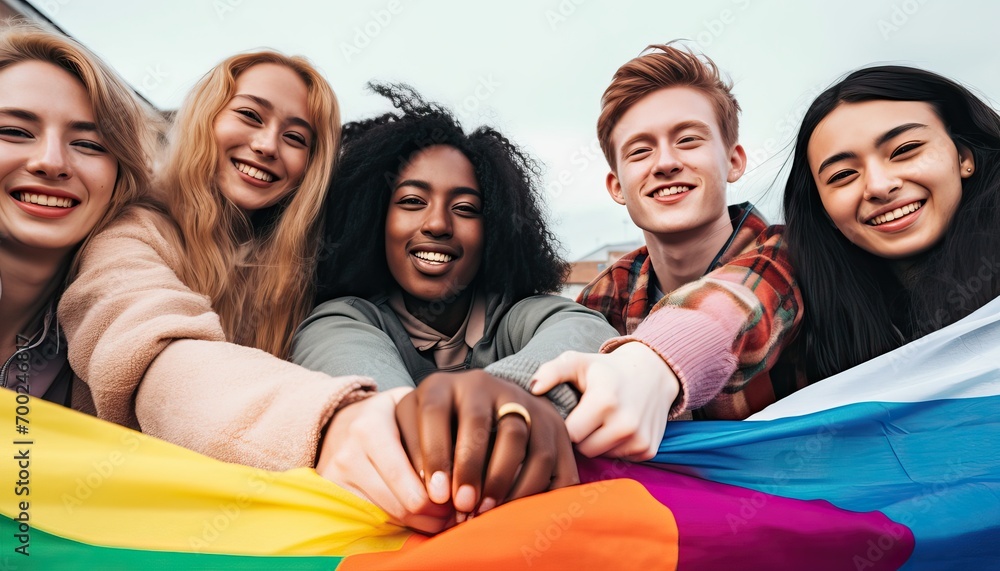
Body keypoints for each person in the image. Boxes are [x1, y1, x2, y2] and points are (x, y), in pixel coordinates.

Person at [56, 53, 446, 532]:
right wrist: (331, 422)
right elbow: (158, 358)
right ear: (205, 116)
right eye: (249, 115)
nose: (266, 145)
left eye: (295, 137)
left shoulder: (306, 273)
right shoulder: (130, 235)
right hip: (127, 528)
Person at [292, 83, 614, 519]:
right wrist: (435, 431)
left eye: (465, 208)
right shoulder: (343, 319)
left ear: (495, 231)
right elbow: (366, 398)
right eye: (411, 201)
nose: (438, 224)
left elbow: (584, 329)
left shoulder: (514, 314)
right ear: (372, 219)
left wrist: (510, 395)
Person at [531, 44, 803, 461]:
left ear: (733, 161)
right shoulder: (607, 292)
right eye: (640, 150)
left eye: (688, 140)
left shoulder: (790, 258)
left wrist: (650, 365)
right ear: (617, 187)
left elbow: (739, 301)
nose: (666, 163)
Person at [782, 65, 1000, 381]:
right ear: (823, 209)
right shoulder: (805, 320)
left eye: (905, 150)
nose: (879, 186)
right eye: (843, 175)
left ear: (964, 156)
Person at [0, 22, 155, 408]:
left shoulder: (115, 328)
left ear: (121, 176)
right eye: (15, 132)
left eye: (88, 144)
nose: (51, 163)